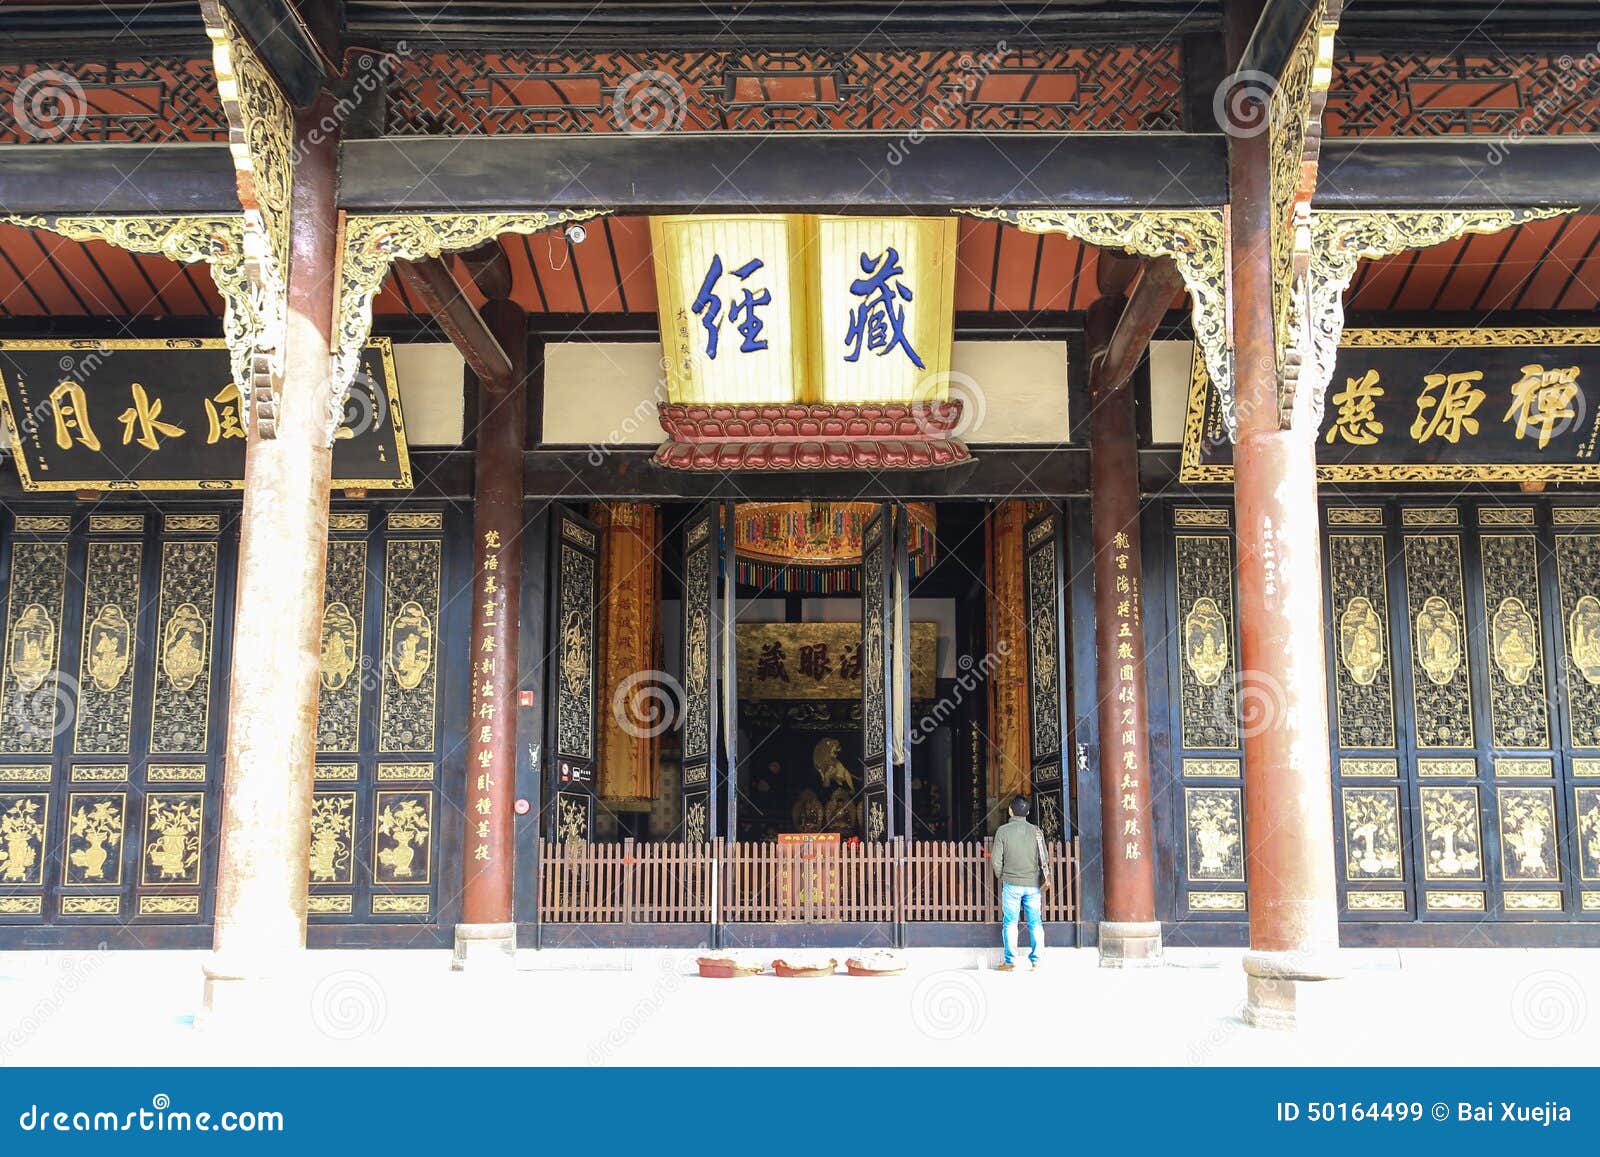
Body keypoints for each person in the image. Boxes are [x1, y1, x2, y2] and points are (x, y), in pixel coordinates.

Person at [991, 796, 1048, 971]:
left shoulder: (1002, 831)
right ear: (1028, 812)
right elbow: (1043, 858)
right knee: (1035, 922)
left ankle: (1010, 961)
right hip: (1032, 885)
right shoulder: (1036, 831)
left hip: (1011, 884)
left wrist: (1003, 876)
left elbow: (995, 860)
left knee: (1010, 922)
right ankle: (1036, 961)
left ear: (1010, 810)